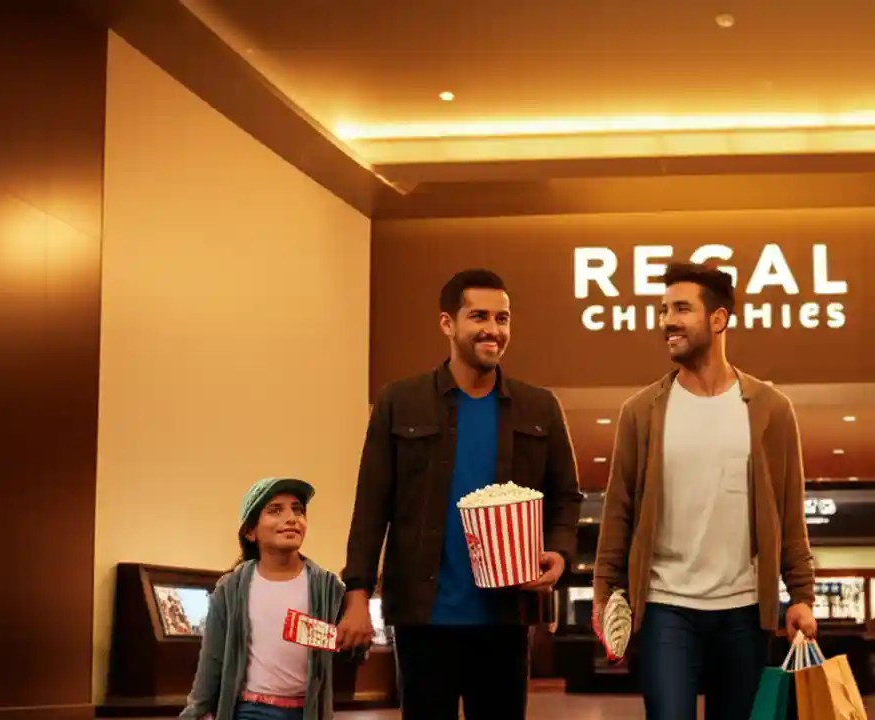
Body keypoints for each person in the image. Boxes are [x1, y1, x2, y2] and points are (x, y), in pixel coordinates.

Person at [337, 269, 583, 719]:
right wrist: (356, 596)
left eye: (502, 318)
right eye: (479, 316)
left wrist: (560, 554)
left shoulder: (539, 406)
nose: (494, 329)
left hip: (506, 618)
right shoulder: (400, 401)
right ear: (447, 323)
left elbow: (566, 497)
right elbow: (371, 506)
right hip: (423, 617)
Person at [592, 262, 818, 720]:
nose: (667, 321)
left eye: (681, 309)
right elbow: (619, 511)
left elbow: (789, 512)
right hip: (665, 607)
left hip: (744, 611)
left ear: (718, 319)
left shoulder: (770, 409)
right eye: (663, 310)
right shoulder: (642, 412)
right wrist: (604, 592)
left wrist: (801, 596)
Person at [181, 477, 346, 720]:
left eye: (298, 510)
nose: (291, 518)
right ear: (250, 531)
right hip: (251, 710)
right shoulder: (231, 589)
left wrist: (352, 634)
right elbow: (212, 658)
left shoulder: (328, 587)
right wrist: (196, 711)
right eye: (275, 510)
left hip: (308, 712)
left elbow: (351, 651)